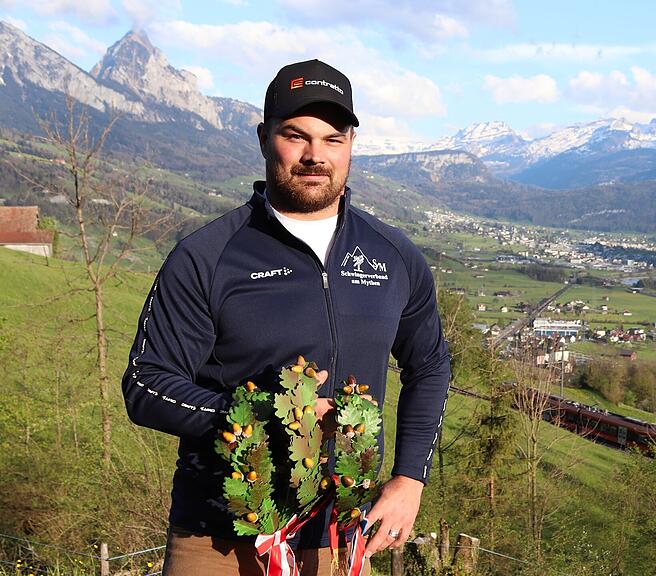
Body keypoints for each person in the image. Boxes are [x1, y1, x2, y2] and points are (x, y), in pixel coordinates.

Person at [121, 59, 451, 575]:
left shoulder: (394, 256)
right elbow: (146, 385)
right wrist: (257, 416)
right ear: (263, 138)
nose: (315, 155)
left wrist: (410, 478)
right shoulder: (207, 256)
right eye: (296, 136)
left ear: (351, 145)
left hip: (340, 539)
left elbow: (429, 364)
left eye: (332, 139)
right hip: (220, 540)